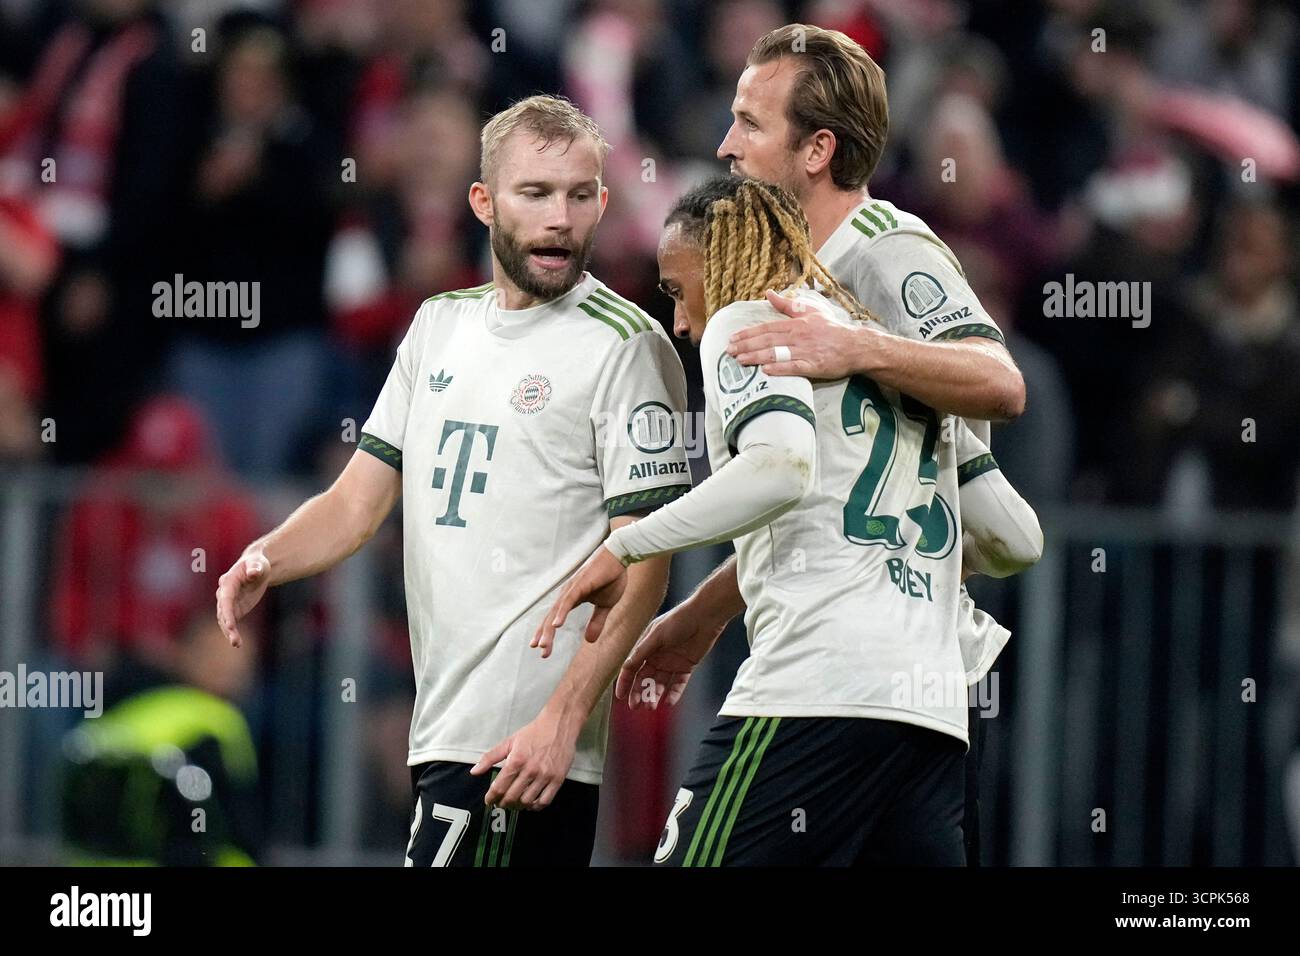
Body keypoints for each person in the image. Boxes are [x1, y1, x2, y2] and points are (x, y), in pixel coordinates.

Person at [216, 95, 691, 867]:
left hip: (521, 748)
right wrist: (266, 556)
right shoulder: (439, 323)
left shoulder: (626, 346)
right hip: (446, 730)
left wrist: (563, 718)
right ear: (483, 202)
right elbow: (355, 503)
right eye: (535, 193)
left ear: (604, 203)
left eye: (579, 195)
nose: (560, 219)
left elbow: (643, 556)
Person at [536, 176, 1041, 865]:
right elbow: (1015, 540)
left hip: (817, 687)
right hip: (933, 715)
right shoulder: (884, 357)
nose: (683, 323)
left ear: (720, 264)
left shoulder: (748, 322)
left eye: (678, 291)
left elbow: (781, 468)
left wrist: (629, 546)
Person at [652, 23, 1029, 865]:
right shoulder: (788, 270)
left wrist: (859, 346)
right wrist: (709, 611)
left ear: (818, 148)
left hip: (831, 679)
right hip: (914, 703)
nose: (726, 144)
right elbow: (826, 494)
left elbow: (1001, 382)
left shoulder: (884, 248)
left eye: (751, 123)